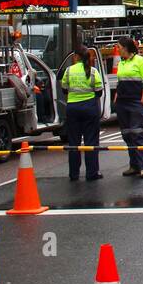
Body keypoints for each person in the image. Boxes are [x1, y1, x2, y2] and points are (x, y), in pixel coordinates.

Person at [61, 44, 104, 182]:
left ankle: (74, 174)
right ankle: (92, 173)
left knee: (74, 142)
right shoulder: (93, 71)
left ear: (76, 57)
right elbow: (99, 91)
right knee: (91, 141)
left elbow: (64, 89)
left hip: (72, 108)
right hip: (90, 108)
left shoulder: (68, 70)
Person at [114, 36, 143, 179]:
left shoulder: (140, 61)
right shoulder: (122, 63)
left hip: (136, 102)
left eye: (119, 47)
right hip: (123, 103)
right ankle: (134, 165)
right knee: (127, 135)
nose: (118, 50)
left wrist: (142, 101)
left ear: (126, 47)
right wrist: (116, 99)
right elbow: (120, 83)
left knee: (138, 134)